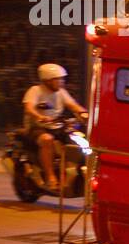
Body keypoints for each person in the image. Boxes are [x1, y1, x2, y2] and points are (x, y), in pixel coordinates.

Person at [22, 63, 88, 191]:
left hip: (57, 126)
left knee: (76, 138)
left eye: (62, 79)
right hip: (36, 127)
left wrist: (85, 114)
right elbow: (29, 108)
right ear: (47, 80)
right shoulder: (35, 91)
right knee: (47, 140)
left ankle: (69, 172)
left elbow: (73, 106)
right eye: (57, 79)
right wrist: (39, 116)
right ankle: (50, 176)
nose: (61, 82)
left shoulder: (61, 92)